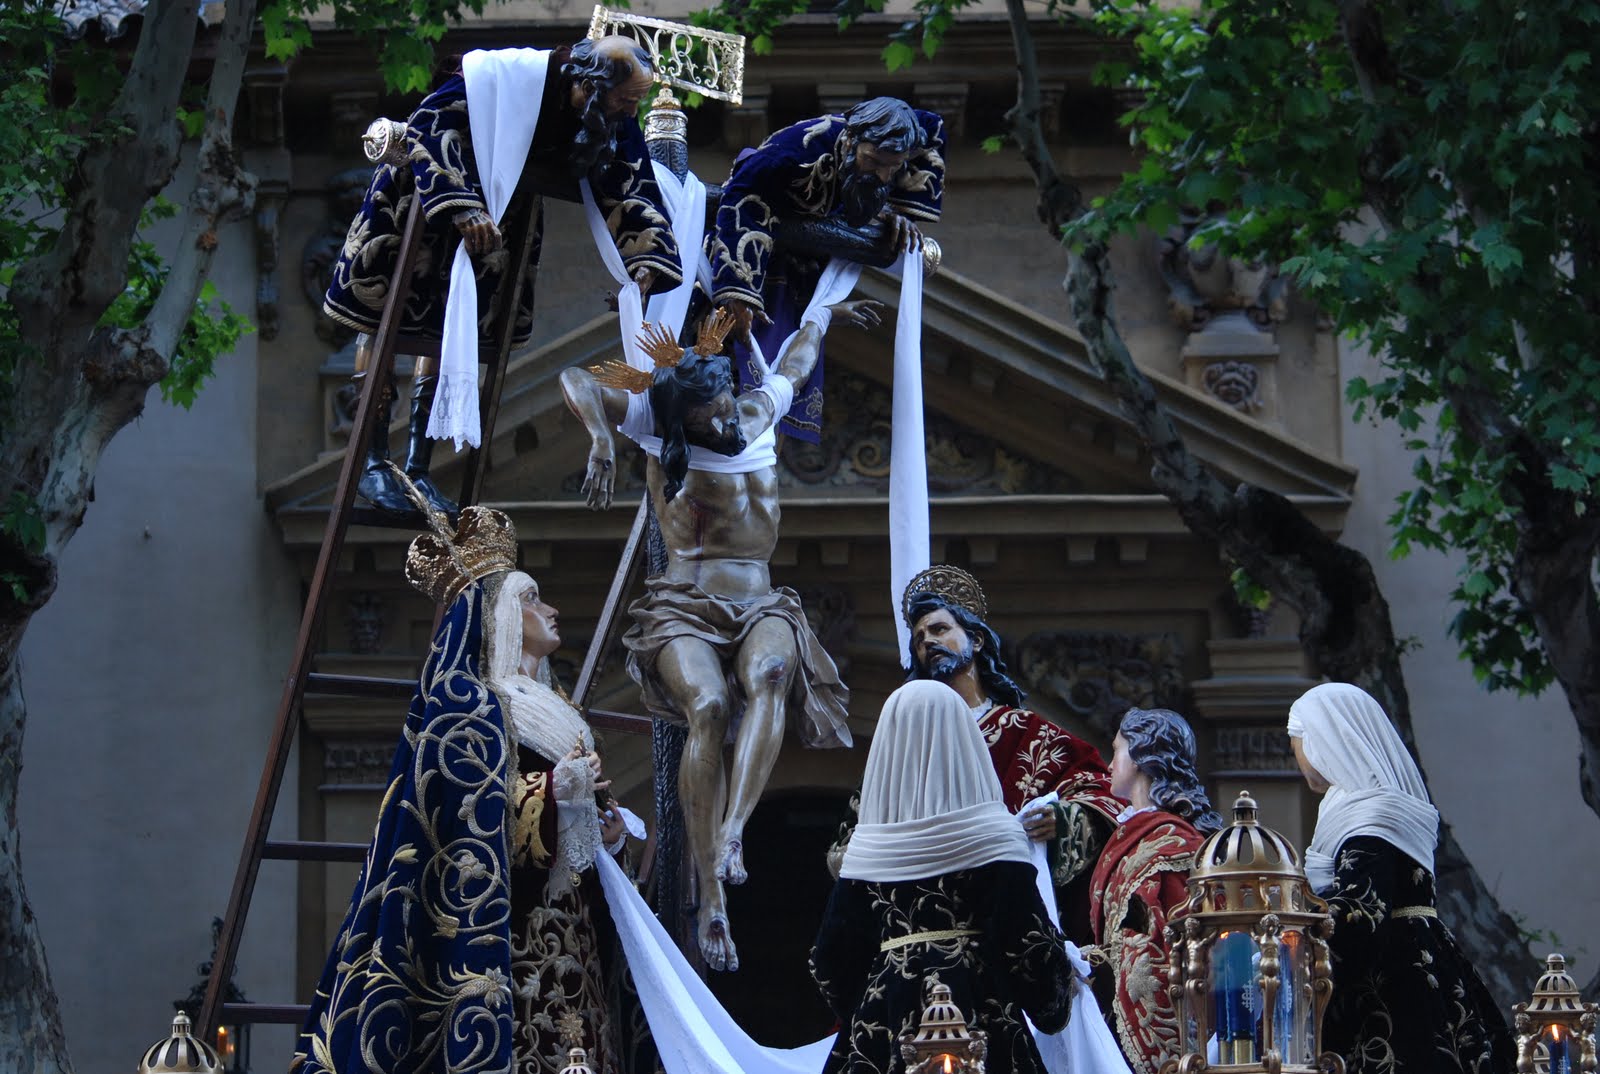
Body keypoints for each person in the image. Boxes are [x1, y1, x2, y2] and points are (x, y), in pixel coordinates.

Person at [560, 300, 881, 972]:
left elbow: (796, 360)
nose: (728, 423)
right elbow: (578, 378)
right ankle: (711, 896)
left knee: (771, 674)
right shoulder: (652, 423)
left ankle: (734, 832)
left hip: (759, 599)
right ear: (683, 419)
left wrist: (825, 315)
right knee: (706, 706)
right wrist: (599, 437)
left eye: (729, 407)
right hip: (685, 605)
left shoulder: (755, 411)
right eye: (711, 419)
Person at [291, 485, 643, 1074]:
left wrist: (606, 834)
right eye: (531, 599)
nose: (551, 610)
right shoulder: (469, 710)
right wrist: (554, 794)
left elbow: (576, 845)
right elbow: (463, 823)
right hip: (507, 949)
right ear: (501, 617)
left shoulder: (558, 710)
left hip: (573, 948)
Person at [324, 35, 682, 518]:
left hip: (495, 227)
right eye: (626, 99)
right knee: (382, 323)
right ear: (590, 84)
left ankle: (417, 468)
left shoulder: (610, 113)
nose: (630, 111)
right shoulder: (505, 77)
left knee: (451, 333)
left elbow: (630, 179)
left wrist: (646, 259)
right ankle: (372, 463)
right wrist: (462, 204)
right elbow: (431, 124)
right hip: (420, 211)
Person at [811, 681, 1078, 1074]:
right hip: (982, 1021)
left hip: (884, 1030)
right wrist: (1053, 1000)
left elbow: (828, 962)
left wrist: (879, 1001)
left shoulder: (865, 851)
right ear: (966, 740)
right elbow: (1029, 947)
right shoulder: (995, 838)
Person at [1287, 682, 1515, 1074]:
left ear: (1326, 738)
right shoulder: (1347, 806)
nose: (1296, 755)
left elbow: (1363, 912)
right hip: (1414, 959)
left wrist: (1283, 928)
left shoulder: (1373, 814)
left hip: (1393, 980)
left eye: (1297, 741)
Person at [901, 564, 1122, 942]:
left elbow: (1102, 793)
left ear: (976, 640)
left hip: (1014, 921)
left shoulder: (1030, 734)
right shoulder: (910, 748)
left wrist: (1063, 822)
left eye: (939, 630)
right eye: (920, 638)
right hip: (932, 924)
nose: (928, 643)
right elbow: (860, 832)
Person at [709, 96, 945, 439]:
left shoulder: (906, 142)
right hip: (763, 262)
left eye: (892, 167)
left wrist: (902, 210)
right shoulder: (794, 153)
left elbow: (933, 127)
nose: (882, 175)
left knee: (781, 396)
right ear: (849, 141)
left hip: (810, 270)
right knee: (747, 373)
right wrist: (739, 290)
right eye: (873, 161)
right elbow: (741, 200)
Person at [1090, 708, 1223, 1074]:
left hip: (1163, 1012)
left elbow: (1182, 939)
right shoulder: (1135, 834)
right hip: (1115, 1007)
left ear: (1139, 755)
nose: (1109, 764)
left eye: (1116, 750)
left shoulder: (1175, 843)